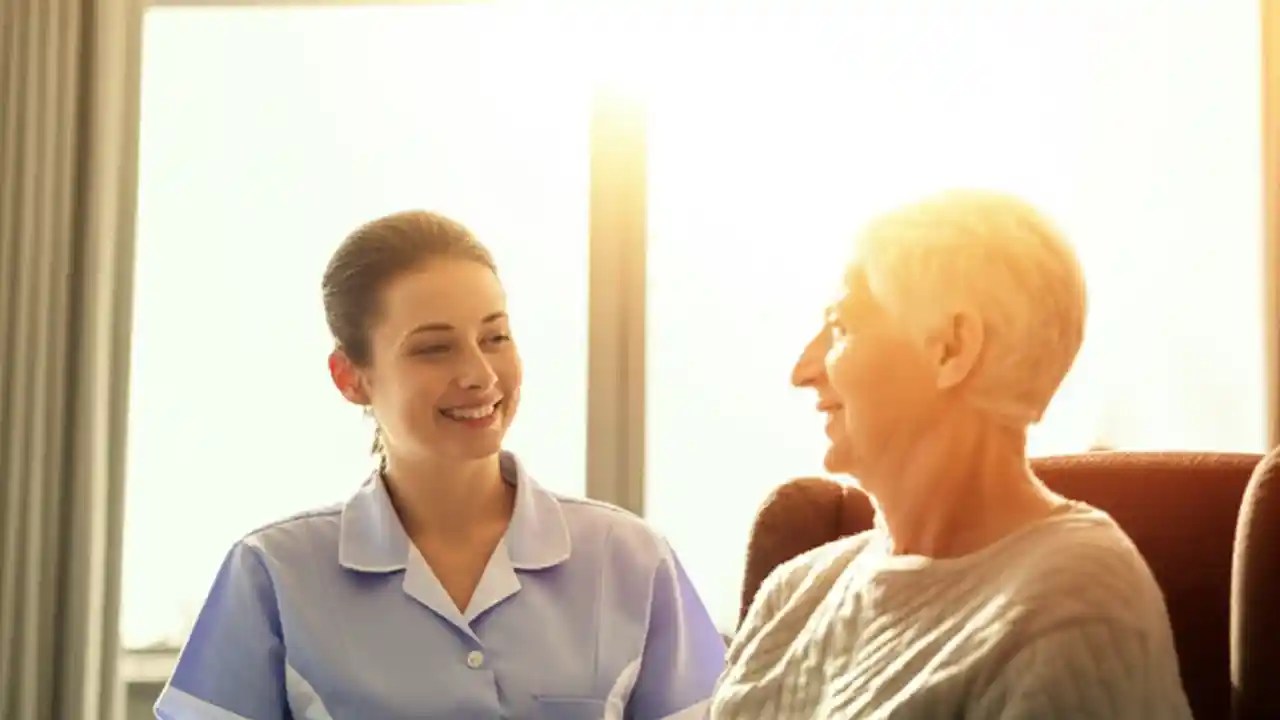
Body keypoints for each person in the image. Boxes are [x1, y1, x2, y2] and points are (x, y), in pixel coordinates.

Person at [155, 210, 725, 719]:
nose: (479, 373)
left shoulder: (630, 559)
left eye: (495, 336)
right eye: (434, 347)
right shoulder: (273, 575)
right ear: (350, 377)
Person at [710, 191, 1192, 719]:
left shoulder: (1077, 603)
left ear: (951, 348)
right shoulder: (795, 594)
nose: (803, 370)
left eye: (842, 328)